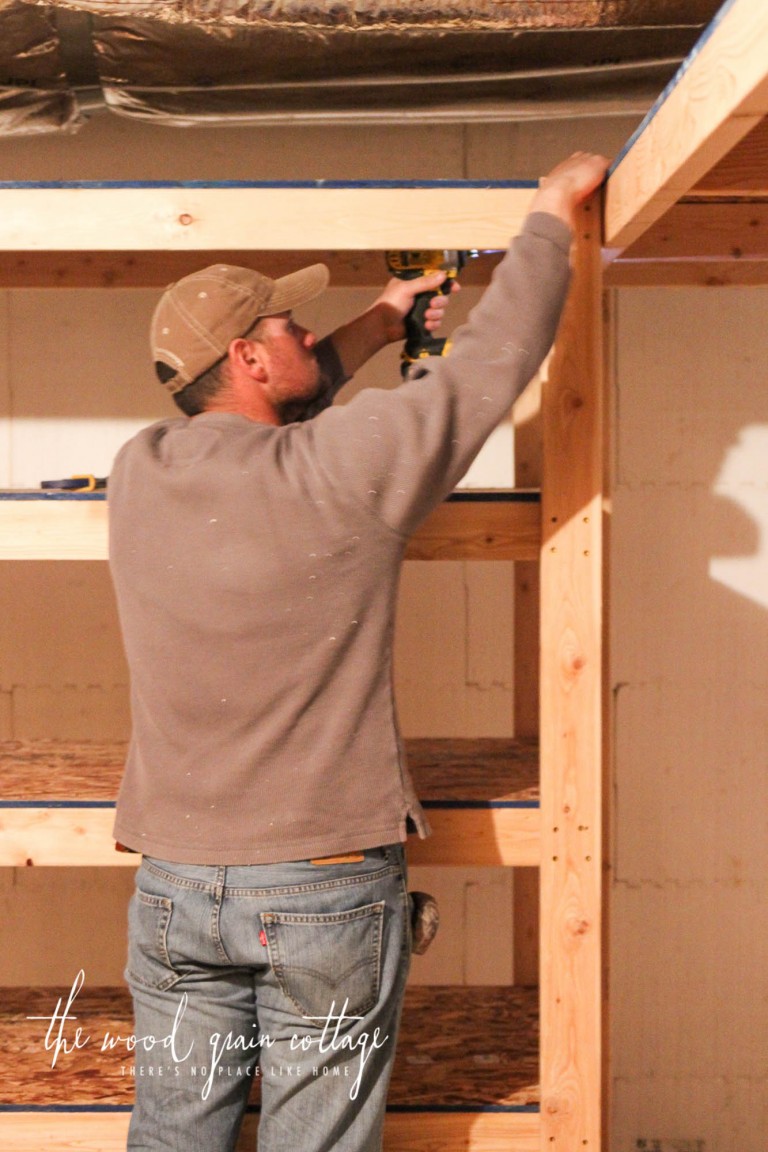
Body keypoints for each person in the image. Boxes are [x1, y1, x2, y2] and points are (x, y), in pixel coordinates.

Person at [108, 151, 608, 1152]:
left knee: (170, 1137)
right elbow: (488, 370)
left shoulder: (141, 469)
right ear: (249, 359)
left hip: (174, 887)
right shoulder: (341, 472)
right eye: (287, 325)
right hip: (321, 894)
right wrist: (551, 218)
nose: (304, 333)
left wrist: (380, 321)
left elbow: (267, 403)